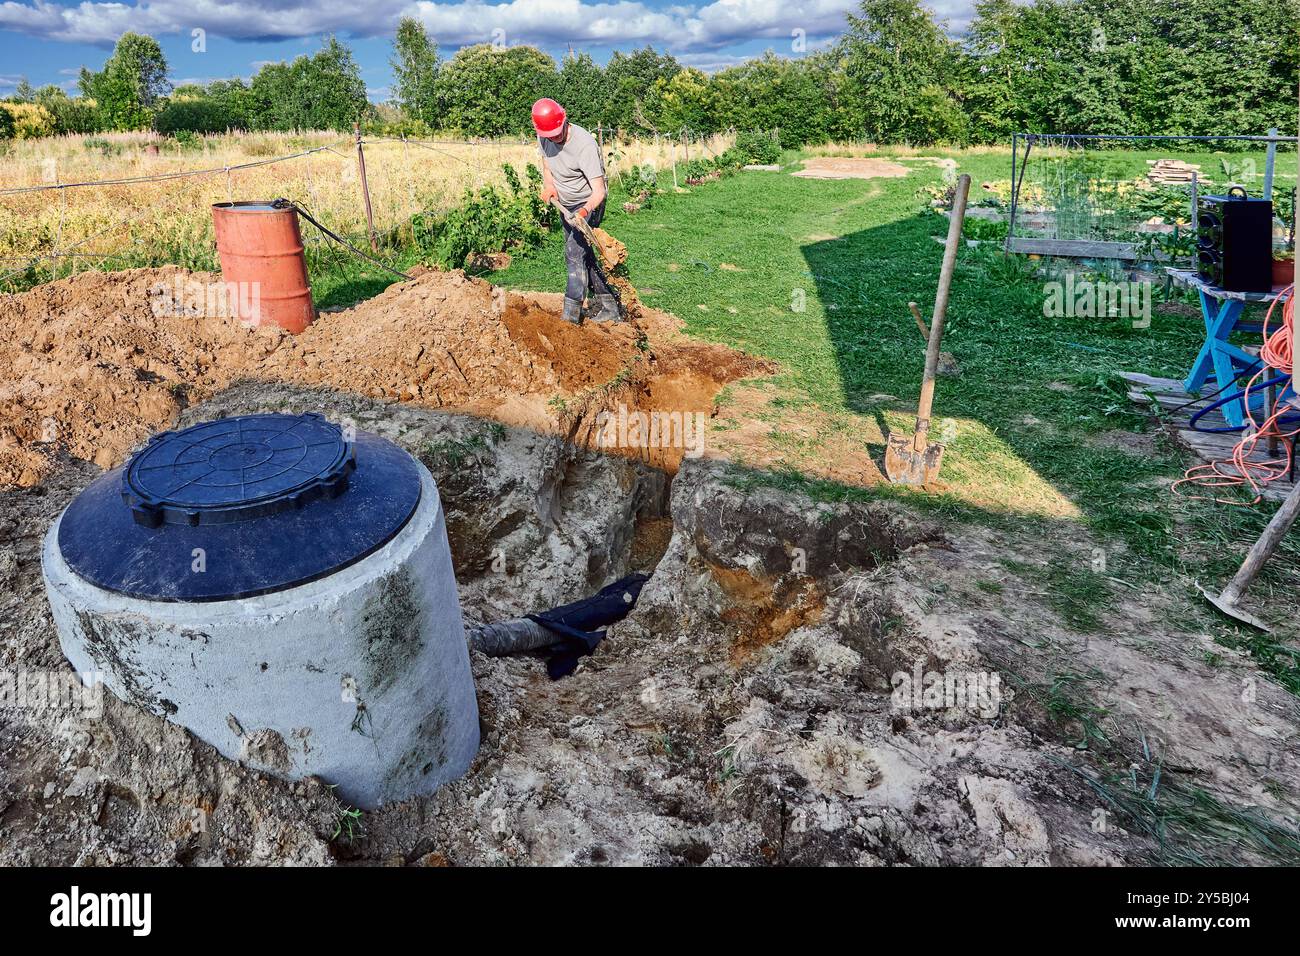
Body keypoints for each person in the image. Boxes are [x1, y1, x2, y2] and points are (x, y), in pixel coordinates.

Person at [531, 97, 620, 324]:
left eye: (557, 133)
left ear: (565, 117)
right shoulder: (544, 134)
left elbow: (598, 191)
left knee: (573, 252)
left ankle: (570, 316)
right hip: (566, 205)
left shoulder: (584, 144)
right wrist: (550, 186)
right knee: (584, 255)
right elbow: (547, 164)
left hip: (587, 204)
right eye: (549, 135)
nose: (554, 138)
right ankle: (610, 304)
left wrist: (583, 212)